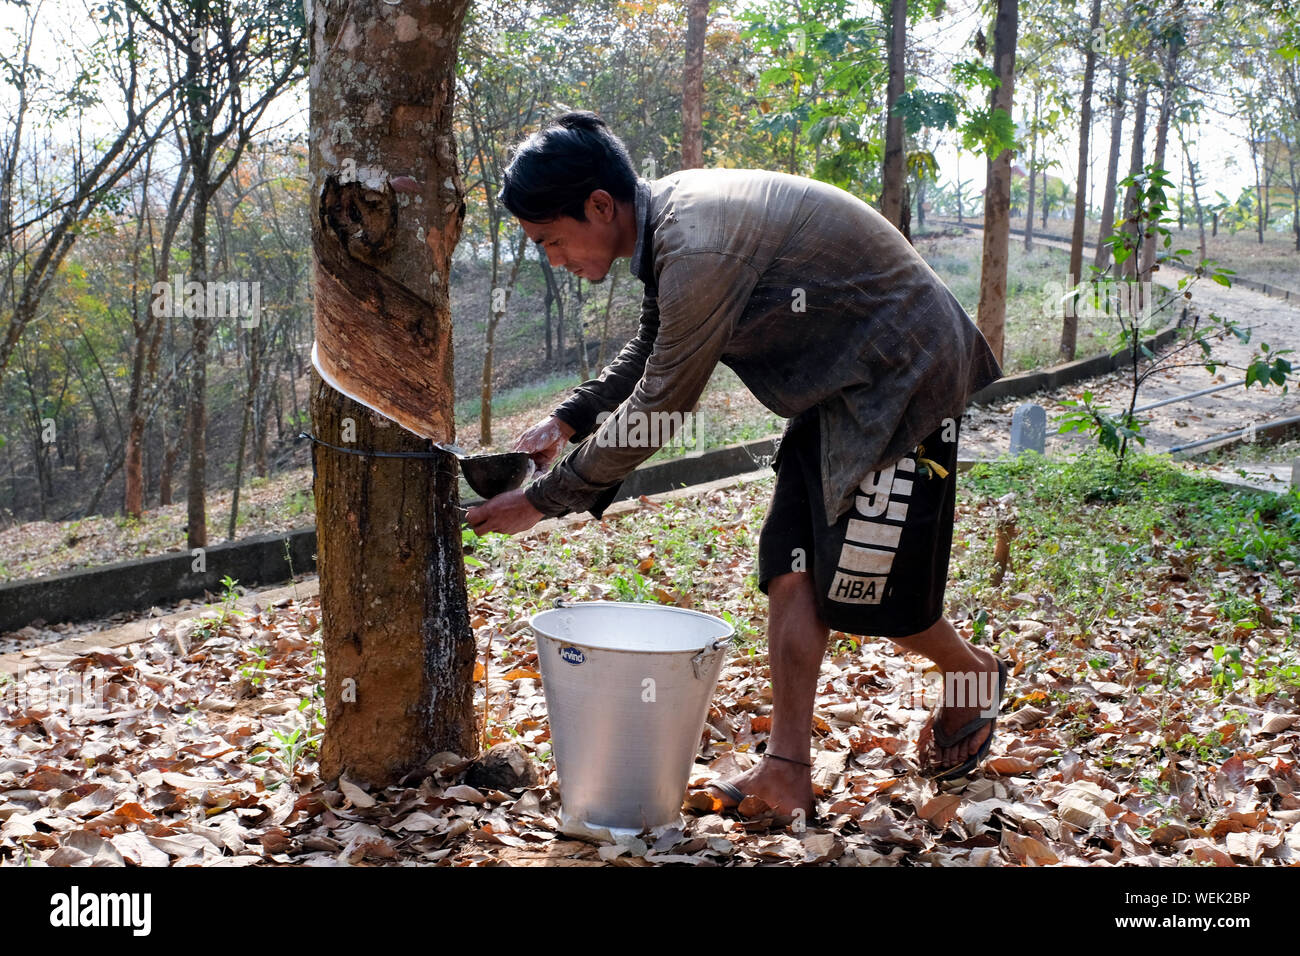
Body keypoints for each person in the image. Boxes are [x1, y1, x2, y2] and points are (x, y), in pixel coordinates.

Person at [465, 111, 1008, 819]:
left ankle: (974, 673)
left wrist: (542, 503)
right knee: (792, 567)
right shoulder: (667, 231)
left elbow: (664, 400)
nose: (553, 258)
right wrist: (567, 419)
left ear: (601, 206)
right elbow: (654, 346)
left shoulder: (695, 244)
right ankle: (786, 769)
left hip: (903, 381)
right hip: (837, 389)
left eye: (551, 239)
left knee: (876, 597)